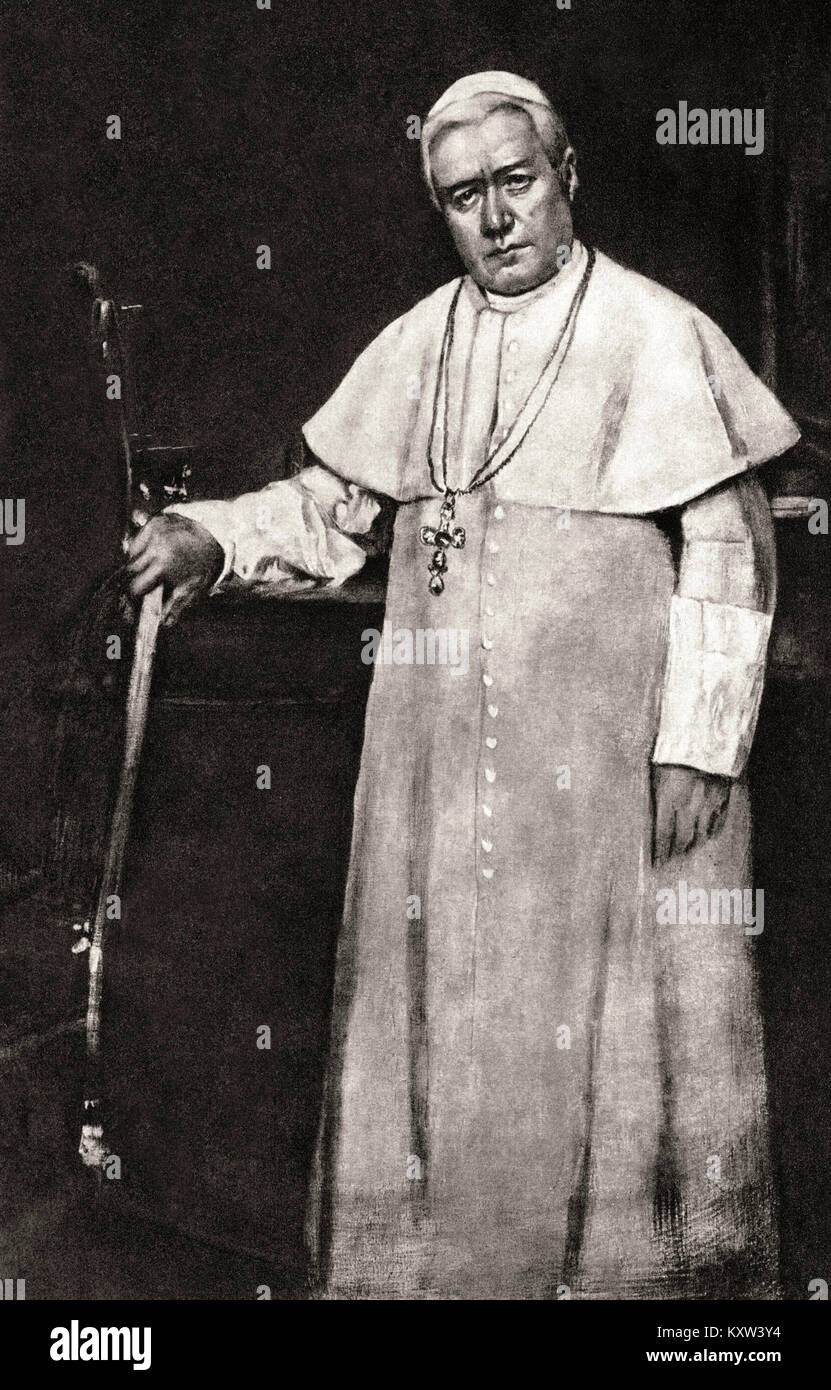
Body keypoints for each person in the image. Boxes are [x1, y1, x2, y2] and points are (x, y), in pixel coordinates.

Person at [127, 72, 799, 1299]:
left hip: (607, 766)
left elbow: (731, 549)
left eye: (515, 183)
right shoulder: (420, 339)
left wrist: (699, 745)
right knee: (440, 1011)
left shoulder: (656, 332)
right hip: (436, 761)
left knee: (611, 1038)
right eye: (461, 199)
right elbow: (332, 512)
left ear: (568, 176)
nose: (494, 220)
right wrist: (212, 539)